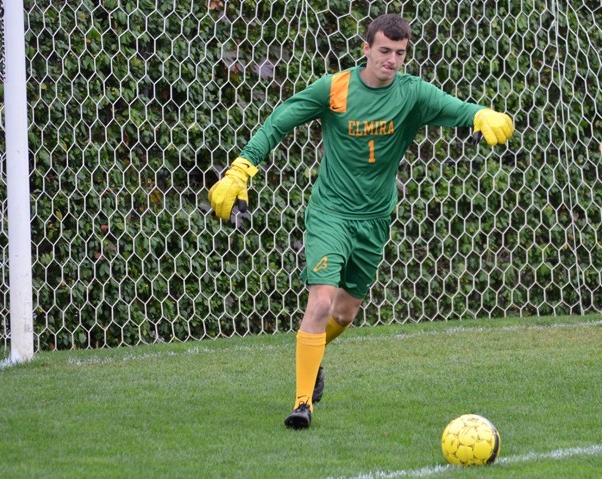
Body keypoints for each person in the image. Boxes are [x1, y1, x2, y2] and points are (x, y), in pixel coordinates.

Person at [208, 14, 514, 429]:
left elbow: (459, 109)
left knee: (346, 313)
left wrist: (483, 115)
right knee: (319, 301)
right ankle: (302, 404)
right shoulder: (335, 88)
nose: (391, 60)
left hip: (374, 219)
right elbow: (281, 118)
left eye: (400, 53)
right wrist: (242, 166)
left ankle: (314, 358)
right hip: (330, 213)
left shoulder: (414, 94)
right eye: (384, 51)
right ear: (366, 49)